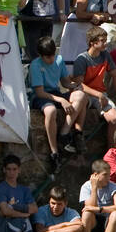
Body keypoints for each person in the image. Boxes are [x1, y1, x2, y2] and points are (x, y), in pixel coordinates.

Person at [29, 35, 87, 171]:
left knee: (81, 96)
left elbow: (65, 81)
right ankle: (54, 152)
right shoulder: (35, 65)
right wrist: (62, 100)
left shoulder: (59, 60)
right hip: (41, 97)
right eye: (47, 57)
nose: (51, 59)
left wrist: (75, 84)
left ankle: (64, 133)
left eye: (52, 56)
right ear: (41, 55)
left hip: (56, 93)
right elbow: (40, 92)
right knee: (50, 111)